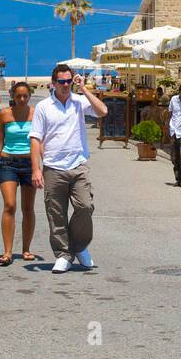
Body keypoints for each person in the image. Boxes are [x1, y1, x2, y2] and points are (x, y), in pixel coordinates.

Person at [30, 63, 107, 273]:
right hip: (53, 167)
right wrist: (36, 169)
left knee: (85, 206)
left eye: (68, 81)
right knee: (56, 214)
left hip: (78, 164)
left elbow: (103, 111)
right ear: (53, 83)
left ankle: (79, 246)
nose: (65, 85)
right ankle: (63, 254)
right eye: (61, 82)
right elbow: (35, 139)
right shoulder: (44, 107)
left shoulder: (79, 102)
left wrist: (83, 89)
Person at [0, 81, 41, 266]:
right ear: (12, 96)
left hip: (29, 163)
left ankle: (26, 249)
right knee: (9, 205)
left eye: (25, 96)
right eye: (18, 96)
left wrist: (43, 167)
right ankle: (7, 251)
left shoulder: (35, 114)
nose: (21, 99)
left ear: (29, 96)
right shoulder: (4, 114)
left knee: (28, 208)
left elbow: (39, 142)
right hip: (8, 162)